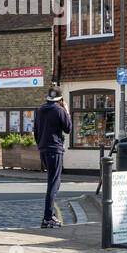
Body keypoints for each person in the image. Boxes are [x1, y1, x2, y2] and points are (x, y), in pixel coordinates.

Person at [33, 86, 72, 229]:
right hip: (55, 149)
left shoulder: (40, 110)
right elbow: (68, 128)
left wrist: (41, 145)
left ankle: (49, 215)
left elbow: (36, 131)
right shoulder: (60, 110)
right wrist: (67, 112)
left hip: (43, 149)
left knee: (53, 182)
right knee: (53, 183)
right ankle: (48, 217)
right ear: (61, 99)